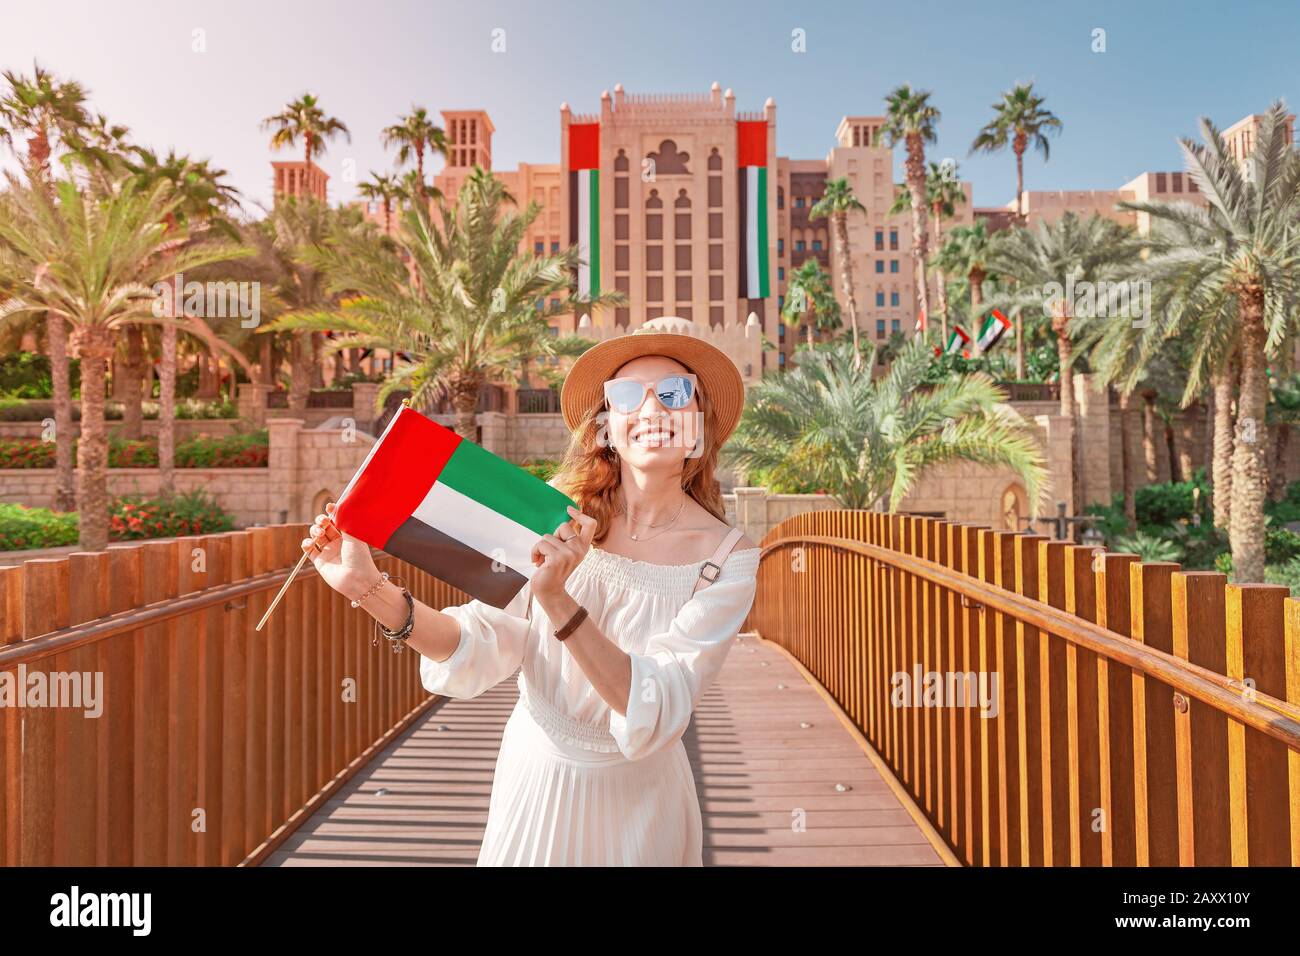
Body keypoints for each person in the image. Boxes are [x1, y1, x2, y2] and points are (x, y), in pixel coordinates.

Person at [302, 316, 759, 865]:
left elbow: (658, 705)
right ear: (606, 428)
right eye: (627, 395)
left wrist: (560, 601)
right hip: (536, 779)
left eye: (675, 393)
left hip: (643, 804)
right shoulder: (552, 519)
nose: (653, 409)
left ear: (700, 425)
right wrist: (367, 588)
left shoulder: (727, 559)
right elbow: (477, 640)